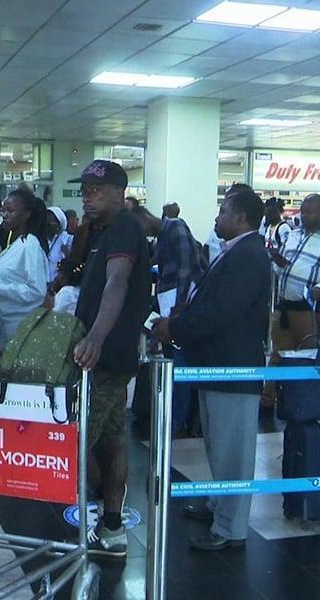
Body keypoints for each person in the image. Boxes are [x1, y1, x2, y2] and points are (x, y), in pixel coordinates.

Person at [151, 185, 269, 551]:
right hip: (216, 363)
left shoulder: (249, 254)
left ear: (241, 218)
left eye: (223, 212)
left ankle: (230, 527)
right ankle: (220, 504)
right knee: (218, 444)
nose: (217, 218)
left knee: (233, 449)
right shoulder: (234, 251)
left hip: (232, 367)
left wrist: (175, 328)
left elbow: (222, 311)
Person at [69, 160, 150, 560]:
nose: (88, 196)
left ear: (121, 193)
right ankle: (112, 524)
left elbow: (117, 281)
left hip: (102, 358)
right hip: (109, 359)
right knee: (114, 438)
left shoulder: (123, 229)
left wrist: (96, 338)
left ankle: (91, 514)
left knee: (81, 440)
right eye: (84, 189)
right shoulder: (101, 231)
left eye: (96, 190)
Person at [130, 204, 205, 434]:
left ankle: (179, 421)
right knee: (175, 360)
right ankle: (178, 418)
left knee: (179, 364)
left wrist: (177, 311)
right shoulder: (162, 236)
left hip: (179, 308)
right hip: (169, 305)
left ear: (144, 217)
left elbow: (185, 270)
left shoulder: (176, 228)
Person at [0, 188, 49, 345]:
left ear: (26, 215)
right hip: (6, 328)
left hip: (22, 330)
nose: (5, 215)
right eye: (3, 210)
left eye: (10, 211)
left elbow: (37, 291)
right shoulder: (16, 243)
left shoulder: (30, 244)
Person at [270, 193, 320, 350]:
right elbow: (280, 266)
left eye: (310, 212)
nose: (304, 215)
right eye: (303, 211)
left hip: (308, 311)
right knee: (279, 357)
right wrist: (278, 263)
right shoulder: (293, 234)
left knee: (306, 357)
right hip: (283, 306)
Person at [46, 206, 68, 283]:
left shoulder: (66, 239)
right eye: (46, 219)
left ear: (59, 224)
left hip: (58, 286)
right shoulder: (40, 240)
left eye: (52, 220)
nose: (48, 223)